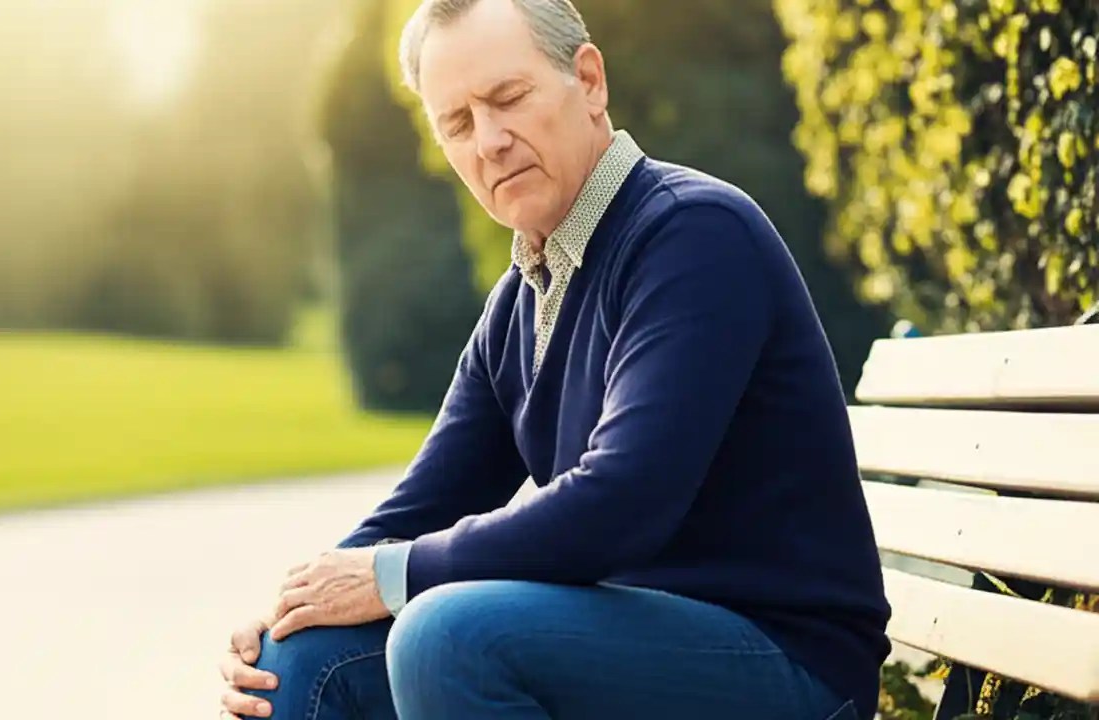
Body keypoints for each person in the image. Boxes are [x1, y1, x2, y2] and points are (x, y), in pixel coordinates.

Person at [219, 0, 891, 717]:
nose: (490, 141)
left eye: (508, 98)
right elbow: (422, 506)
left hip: (788, 663)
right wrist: (293, 608)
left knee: (447, 636)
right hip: (624, 647)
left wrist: (392, 572)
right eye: (458, 124)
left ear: (590, 81)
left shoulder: (694, 236)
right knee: (295, 662)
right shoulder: (522, 300)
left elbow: (622, 503)